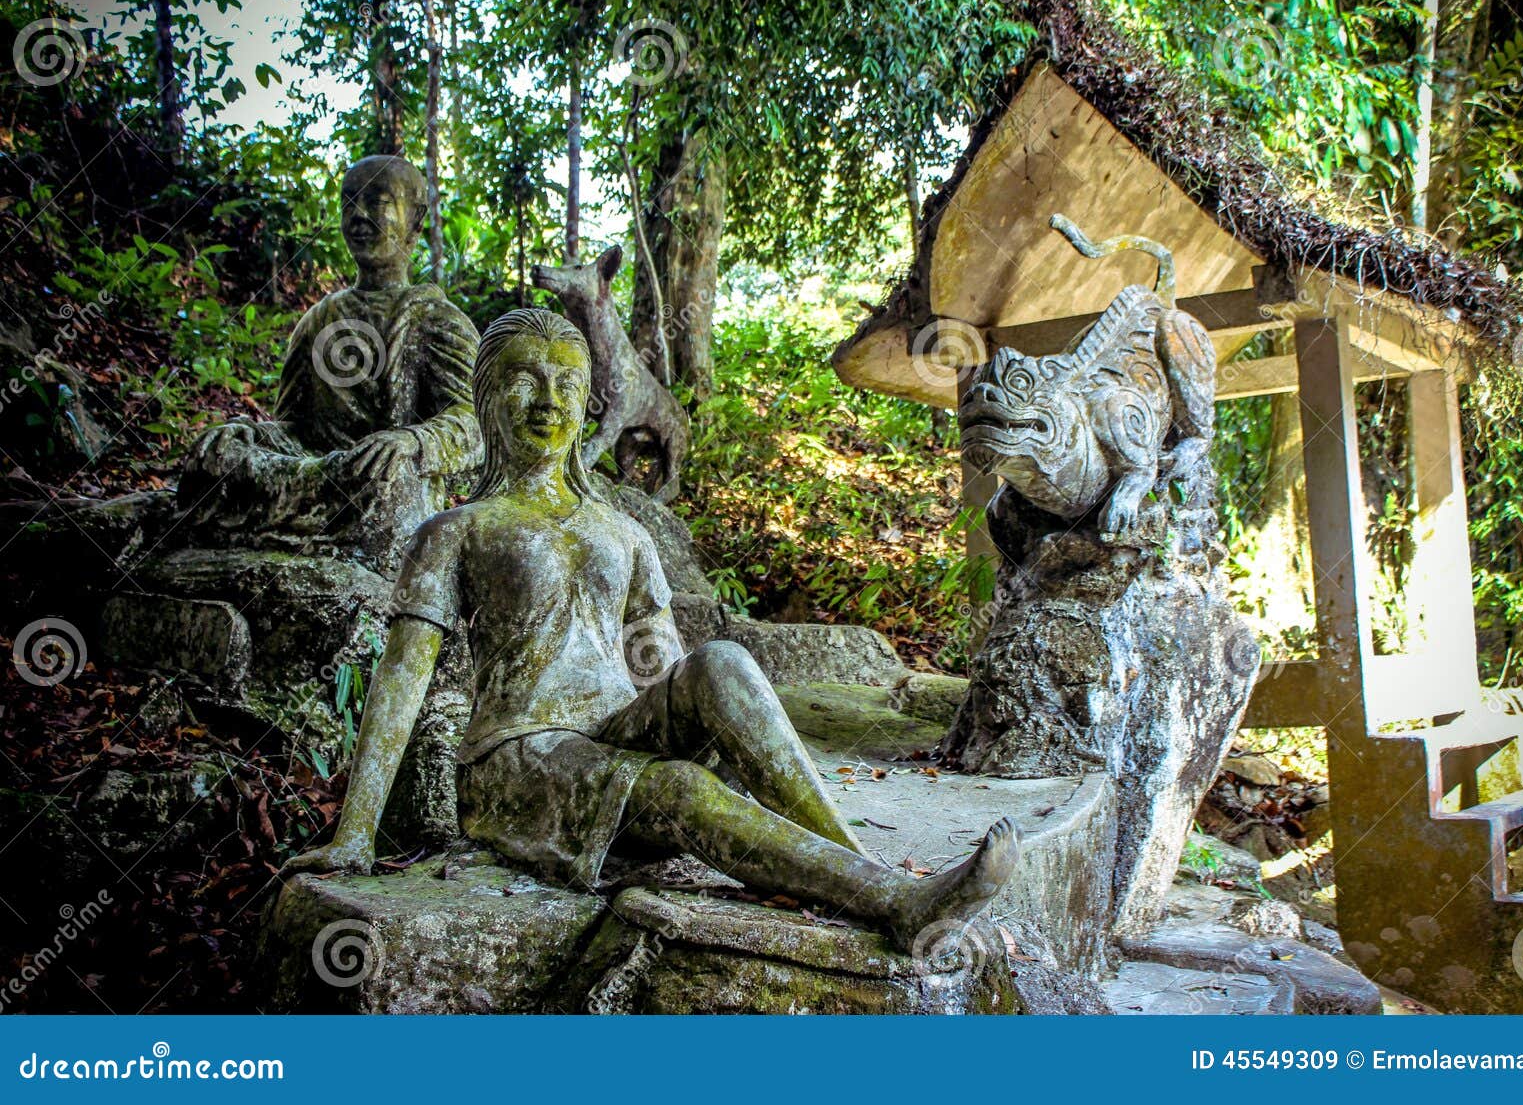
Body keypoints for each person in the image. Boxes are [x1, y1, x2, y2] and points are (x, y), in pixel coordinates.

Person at [284, 308, 1019, 950]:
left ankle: (858, 866)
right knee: (675, 791)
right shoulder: (457, 530)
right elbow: (403, 674)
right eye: (525, 379)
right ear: (485, 398)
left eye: (566, 382)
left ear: (587, 400)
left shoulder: (623, 531)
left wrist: (706, 726)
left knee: (722, 662)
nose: (548, 399)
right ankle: (893, 902)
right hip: (522, 755)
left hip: (613, 725)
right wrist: (356, 828)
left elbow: (666, 669)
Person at [178, 155, 479, 567]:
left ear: (415, 219)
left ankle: (272, 518)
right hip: (319, 473)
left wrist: (413, 441)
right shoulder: (318, 319)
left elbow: (476, 423)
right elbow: (294, 427)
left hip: (377, 486)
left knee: (382, 482)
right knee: (222, 449)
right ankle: (281, 512)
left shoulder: (437, 320)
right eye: (348, 202)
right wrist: (251, 433)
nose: (357, 215)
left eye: (376, 201)